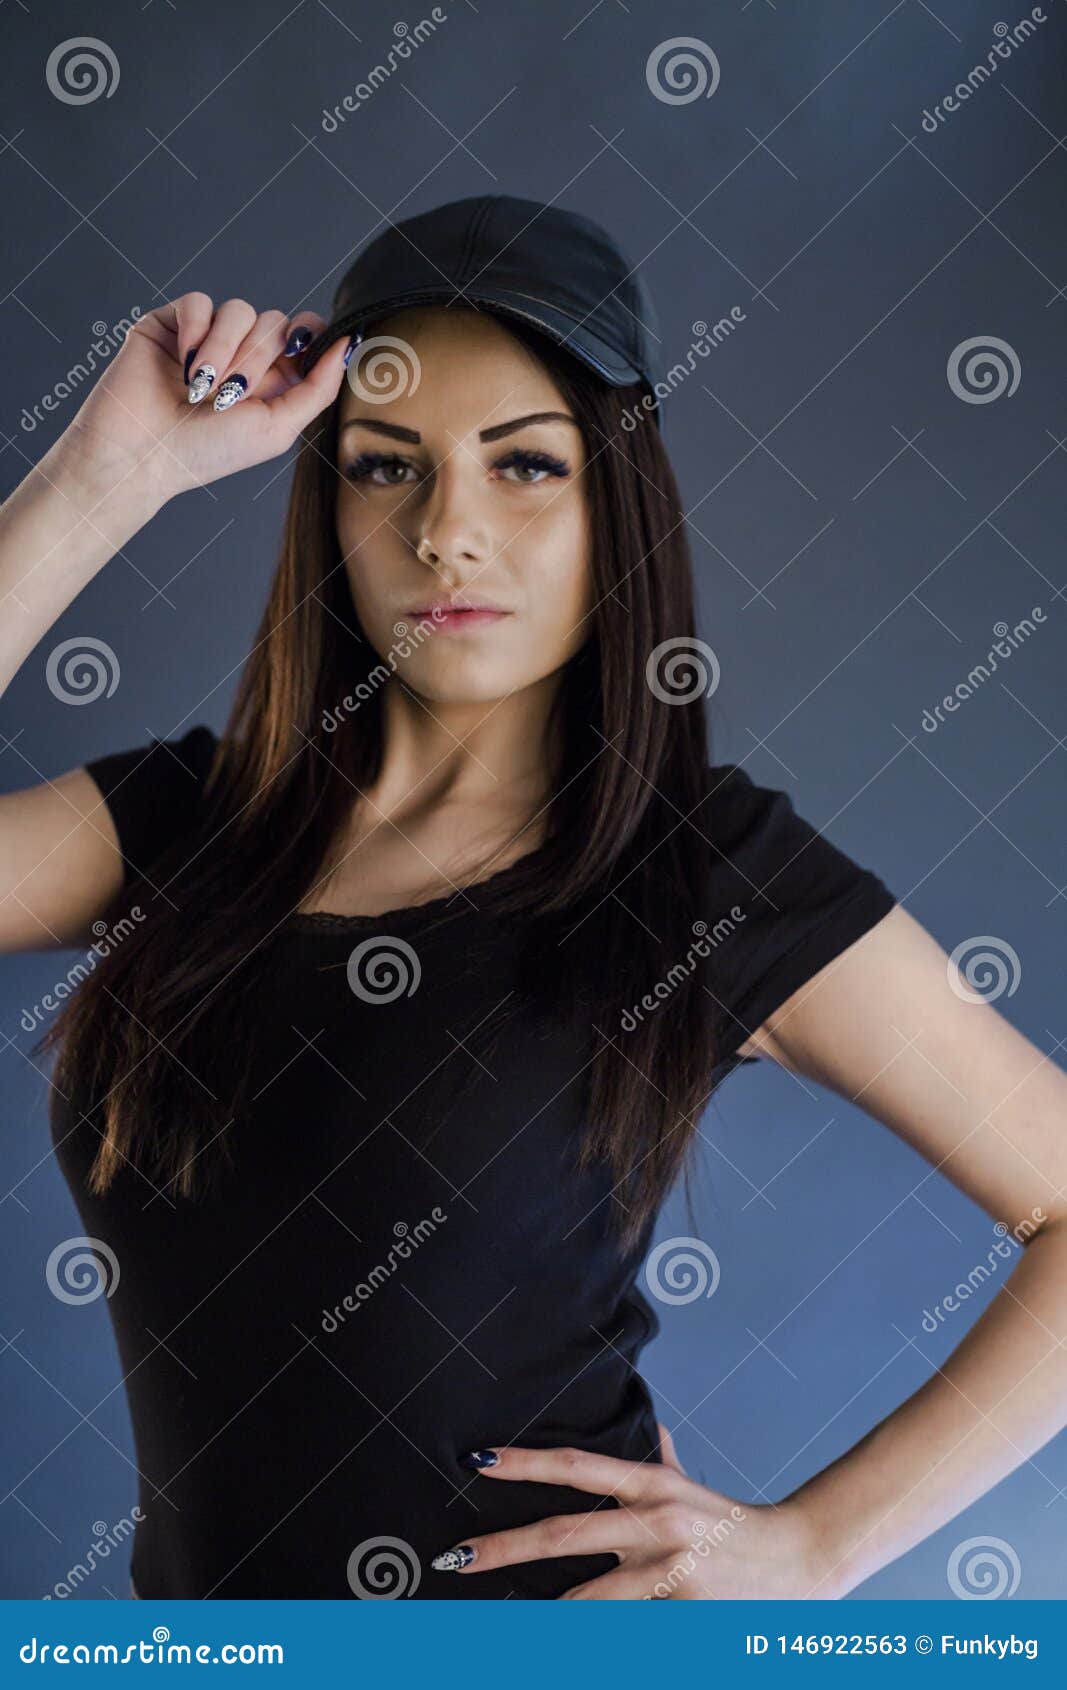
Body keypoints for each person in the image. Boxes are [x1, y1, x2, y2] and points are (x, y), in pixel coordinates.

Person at [2, 195, 1066, 1602]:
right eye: (387, 467)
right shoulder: (185, 828)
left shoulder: (704, 873)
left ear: (614, 499)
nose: (448, 531)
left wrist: (816, 1544)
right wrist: (107, 475)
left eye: (525, 468)